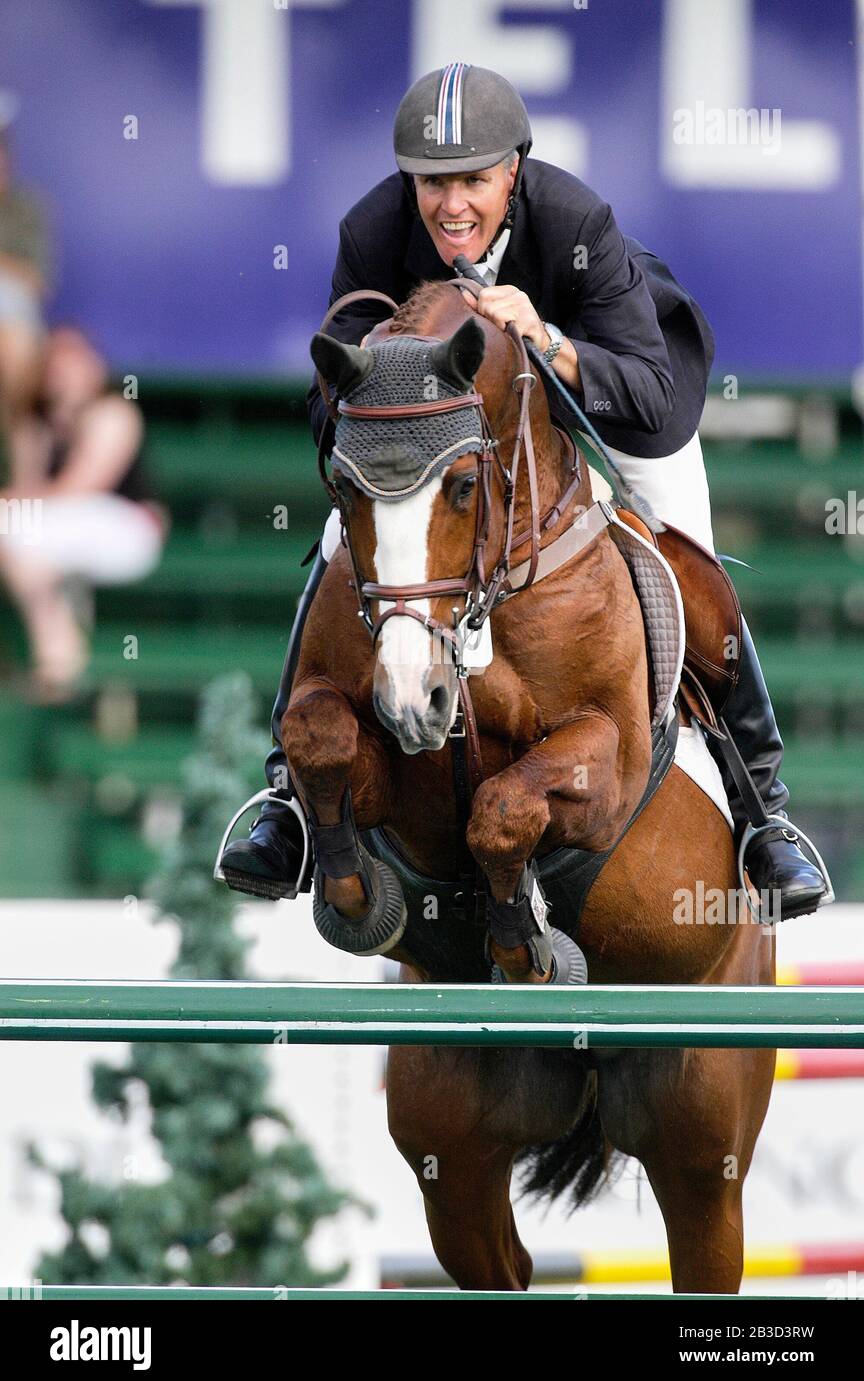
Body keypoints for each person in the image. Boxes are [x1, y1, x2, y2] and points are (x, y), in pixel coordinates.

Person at [219, 62, 827, 920]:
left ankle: (764, 809)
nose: (452, 205)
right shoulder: (372, 230)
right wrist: (377, 421)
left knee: (684, 553)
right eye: (434, 183)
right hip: (447, 440)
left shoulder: (576, 221)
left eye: (474, 179)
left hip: (610, 404)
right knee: (332, 544)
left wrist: (549, 342)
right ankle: (287, 797)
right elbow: (328, 400)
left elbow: (650, 394)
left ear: (513, 171)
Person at [0, 326, 167, 701]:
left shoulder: (114, 413)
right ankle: (59, 656)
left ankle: (62, 647)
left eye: (74, 362)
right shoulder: (38, 425)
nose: (65, 372)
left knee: (11, 525)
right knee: (19, 545)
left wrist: (7, 504)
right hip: (70, 529)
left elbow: (77, 489)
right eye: (56, 363)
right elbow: (32, 492)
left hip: (129, 530)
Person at [0, 106, 51, 484]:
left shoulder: (27, 209)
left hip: (14, 320)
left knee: (13, 352)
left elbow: (37, 280)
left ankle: (23, 487)